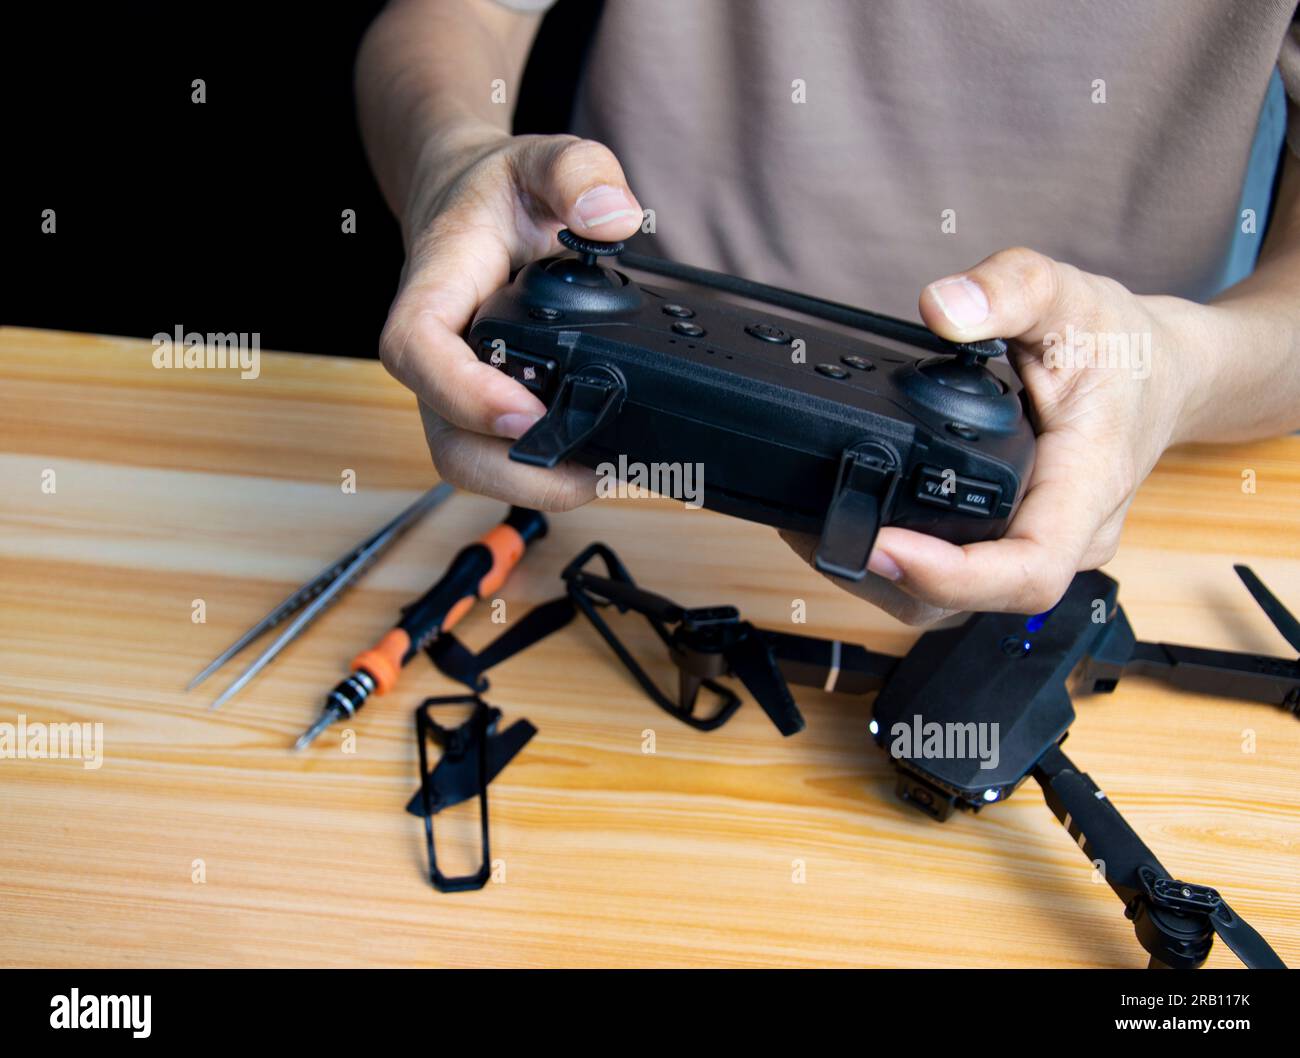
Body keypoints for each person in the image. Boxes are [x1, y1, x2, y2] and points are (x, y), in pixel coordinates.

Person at [356, 0, 1300, 624]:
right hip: (610, 417)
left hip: (1130, 463)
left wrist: (1178, 372)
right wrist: (454, 160)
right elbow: (465, 10)